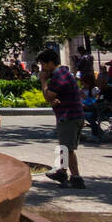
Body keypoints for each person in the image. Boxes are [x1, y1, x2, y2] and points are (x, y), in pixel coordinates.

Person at [38, 48, 85, 188]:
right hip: (70, 115)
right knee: (64, 147)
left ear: (51, 62)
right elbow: (57, 97)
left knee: (67, 149)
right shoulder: (63, 73)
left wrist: (43, 81)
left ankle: (76, 178)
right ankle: (62, 172)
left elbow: (48, 96)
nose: (42, 68)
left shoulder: (59, 75)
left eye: (43, 64)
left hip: (69, 117)